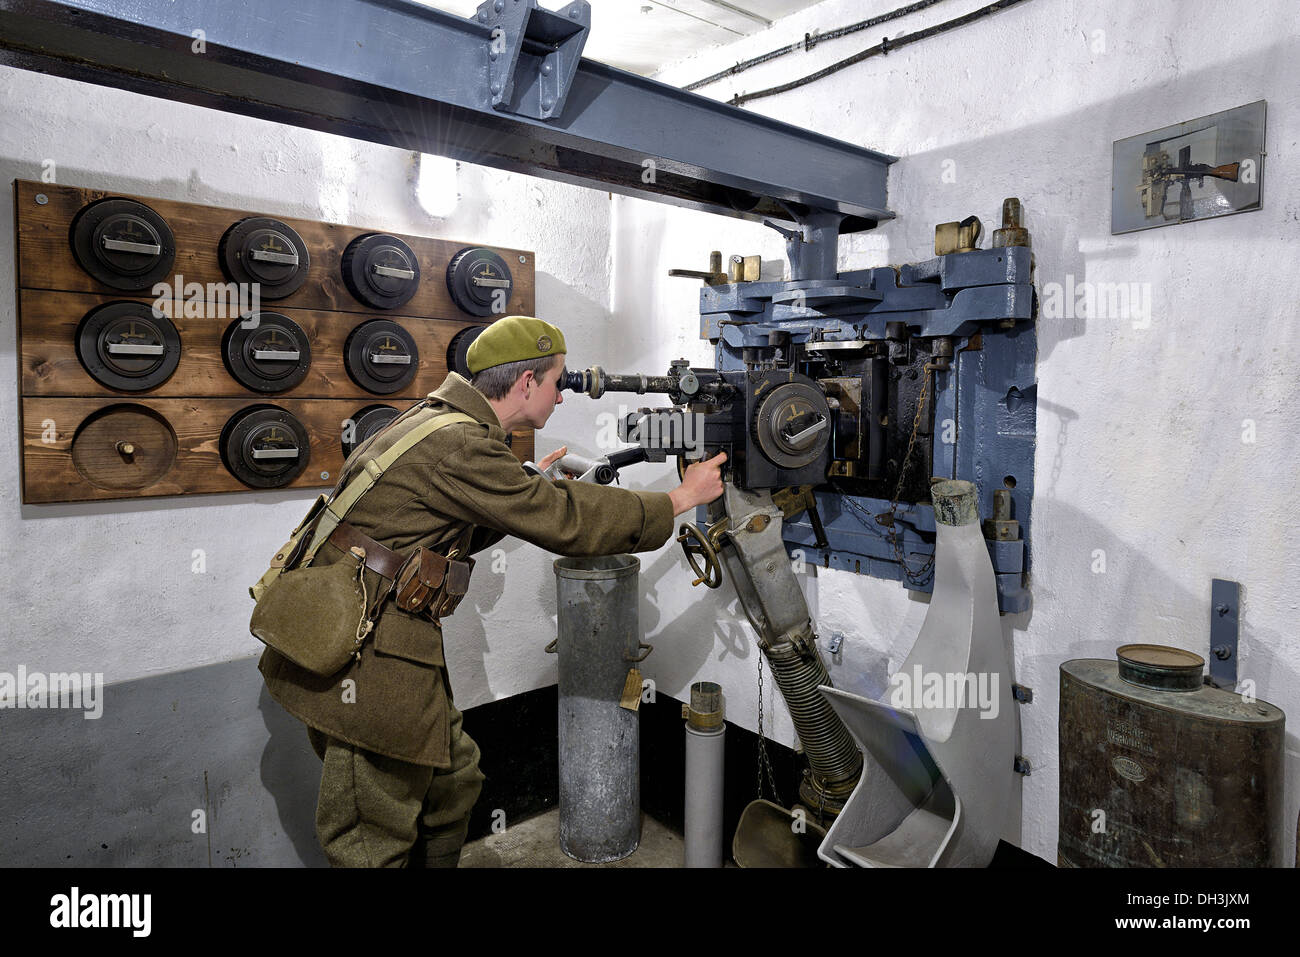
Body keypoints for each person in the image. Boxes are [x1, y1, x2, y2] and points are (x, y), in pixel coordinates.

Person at [258, 315, 726, 867]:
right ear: (526, 383)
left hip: (375, 636)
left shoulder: (440, 423)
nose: (561, 395)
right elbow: (562, 522)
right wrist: (676, 500)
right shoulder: (459, 444)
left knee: (453, 783)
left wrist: (533, 490)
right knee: (370, 837)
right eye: (557, 382)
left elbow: (452, 523)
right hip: (361, 655)